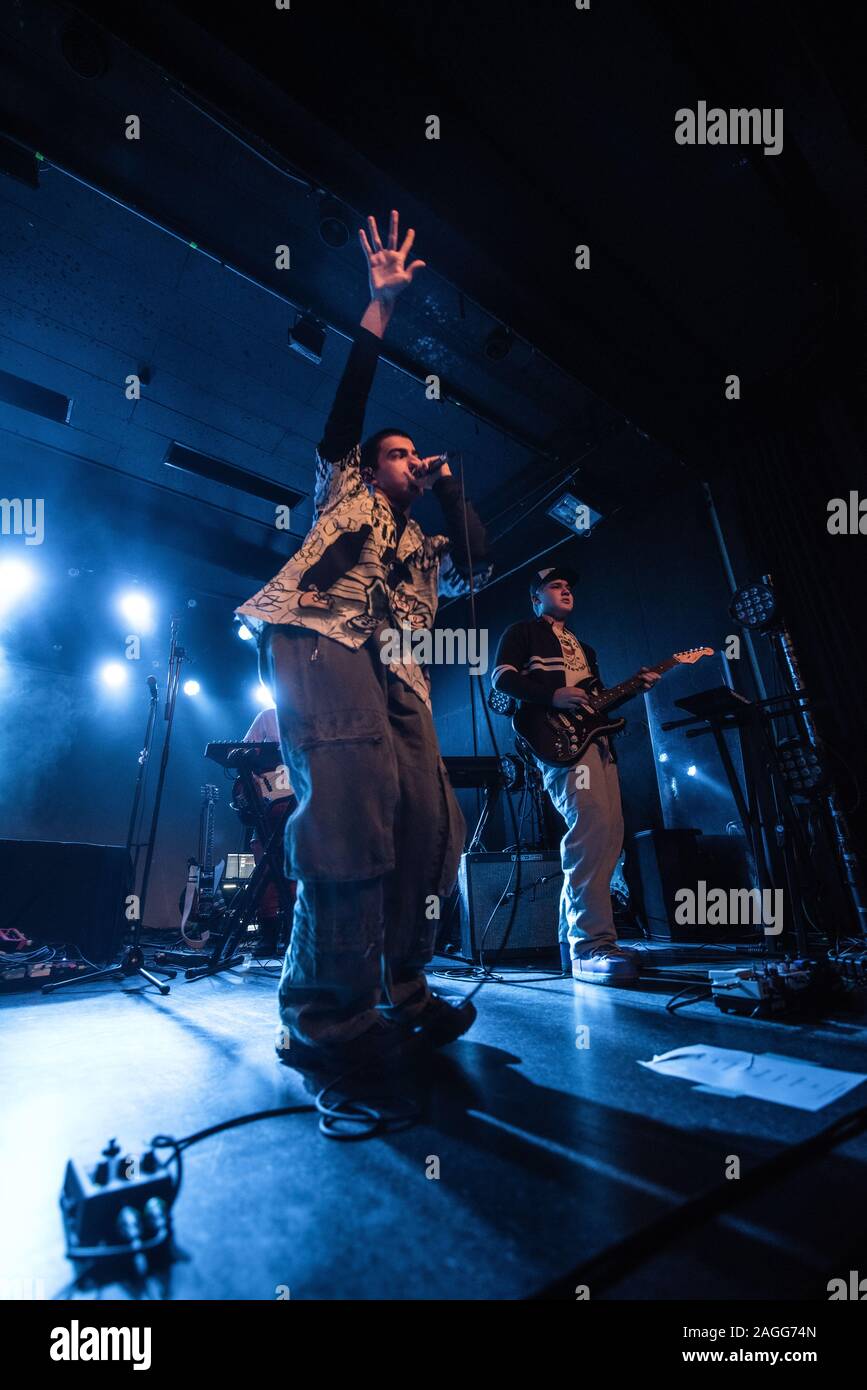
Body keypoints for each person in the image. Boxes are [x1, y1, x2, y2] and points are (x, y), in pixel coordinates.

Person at [236, 210, 488, 1071]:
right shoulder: (344, 485)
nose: (410, 460)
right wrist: (378, 310)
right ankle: (322, 1021)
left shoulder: (424, 544)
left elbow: (478, 569)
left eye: (416, 452)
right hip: (320, 637)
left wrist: (451, 490)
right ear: (368, 465)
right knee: (346, 817)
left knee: (427, 829)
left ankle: (401, 993)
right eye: (399, 453)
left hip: (400, 670)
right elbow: (346, 411)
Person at [492, 567, 659, 985]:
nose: (565, 590)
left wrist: (635, 686)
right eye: (555, 586)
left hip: (596, 743)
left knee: (610, 837)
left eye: (568, 586)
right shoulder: (522, 632)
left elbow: (594, 706)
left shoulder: (585, 648)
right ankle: (590, 947)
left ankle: (581, 944)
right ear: (536, 598)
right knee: (590, 828)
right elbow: (501, 679)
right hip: (559, 745)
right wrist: (552, 695)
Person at [241, 704, 297, 958]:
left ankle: (296, 935)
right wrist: (252, 781)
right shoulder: (267, 716)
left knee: (299, 874)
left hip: (302, 809)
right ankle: (268, 935)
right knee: (265, 873)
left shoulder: (316, 713)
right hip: (268, 812)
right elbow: (240, 753)